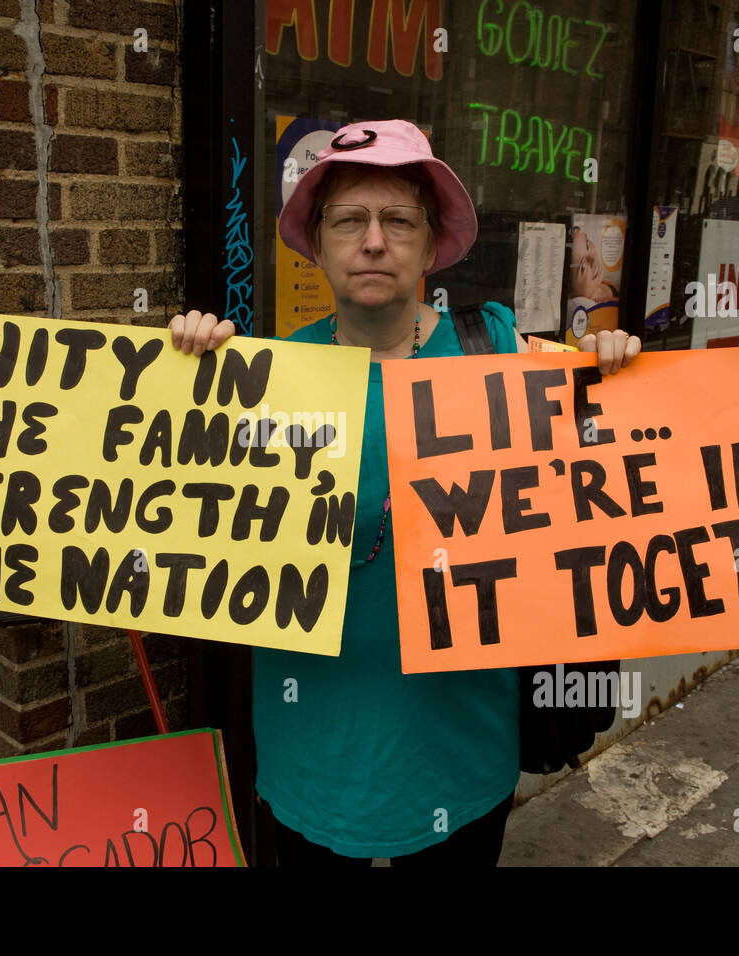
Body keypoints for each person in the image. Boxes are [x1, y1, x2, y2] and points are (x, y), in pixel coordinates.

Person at [168, 120, 641, 866]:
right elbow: (185, 520)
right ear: (317, 243)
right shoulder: (264, 376)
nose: (374, 241)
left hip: (457, 752)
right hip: (311, 753)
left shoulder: (506, 356)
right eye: (349, 220)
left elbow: (599, 482)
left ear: (430, 243)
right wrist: (186, 372)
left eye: (398, 220)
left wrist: (613, 374)